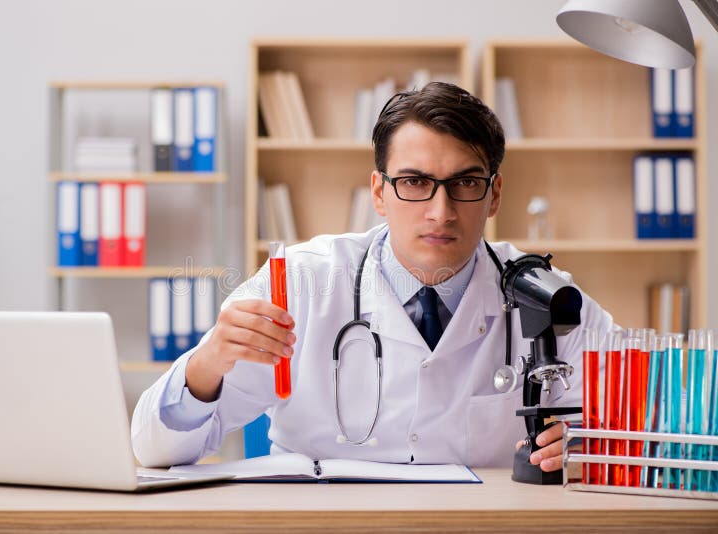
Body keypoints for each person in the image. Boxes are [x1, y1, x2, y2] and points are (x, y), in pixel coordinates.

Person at [132, 82, 614, 471]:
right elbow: (155, 450)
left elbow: (636, 424)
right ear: (379, 193)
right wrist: (205, 367)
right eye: (415, 183)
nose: (439, 212)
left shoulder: (547, 297)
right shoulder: (298, 282)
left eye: (465, 183)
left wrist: (592, 447)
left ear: (494, 194)